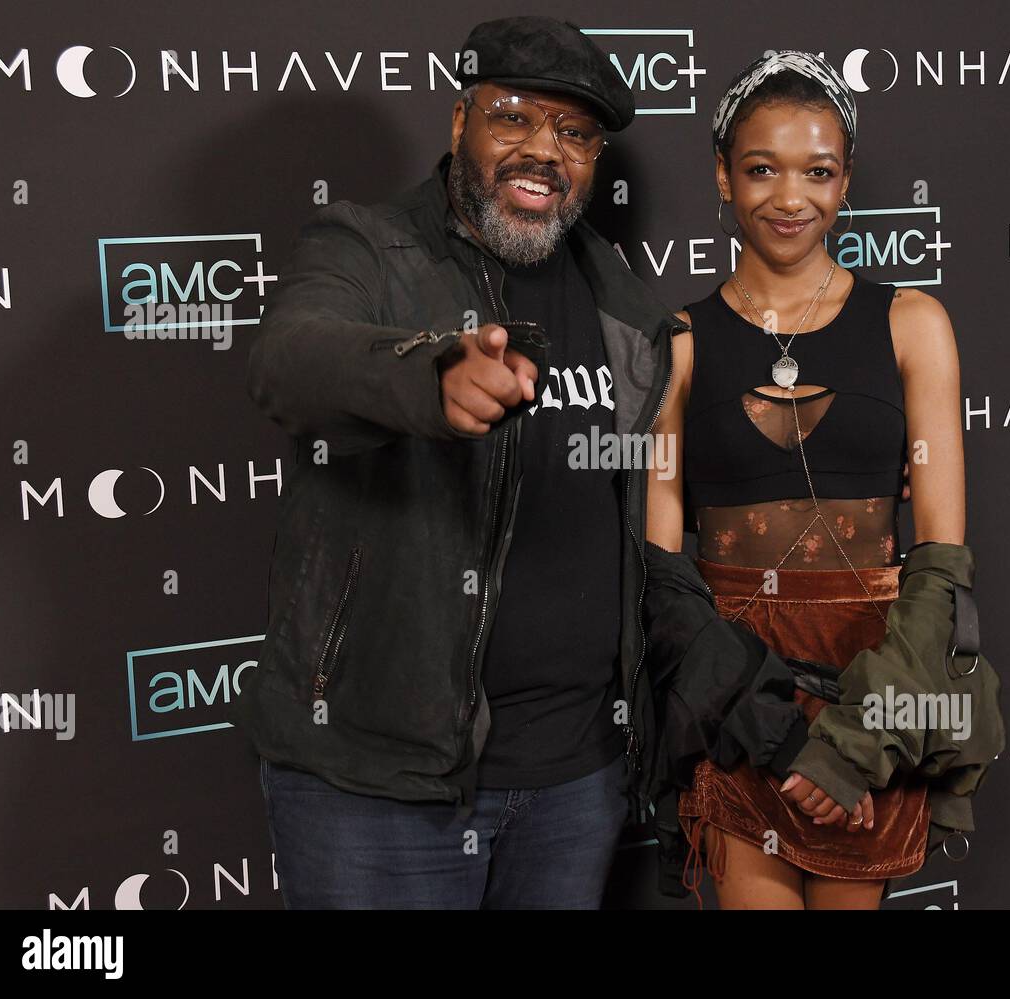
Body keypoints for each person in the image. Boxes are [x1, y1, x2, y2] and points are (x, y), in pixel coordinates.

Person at [227, 16, 688, 909]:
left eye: (574, 133)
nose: (543, 150)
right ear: (459, 123)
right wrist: (429, 375)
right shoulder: (367, 245)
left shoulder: (627, 305)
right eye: (514, 117)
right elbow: (288, 358)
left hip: (575, 780)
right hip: (381, 782)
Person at [643, 50, 1002, 909]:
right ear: (723, 178)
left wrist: (856, 739)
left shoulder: (915, 324)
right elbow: (662, 574)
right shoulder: (677, 342)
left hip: (874, 676)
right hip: (733, 689)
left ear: (845, 184)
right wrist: (760, 720)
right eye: (761, 169)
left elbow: (941, 561)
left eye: (818, 171)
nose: (789, 197)